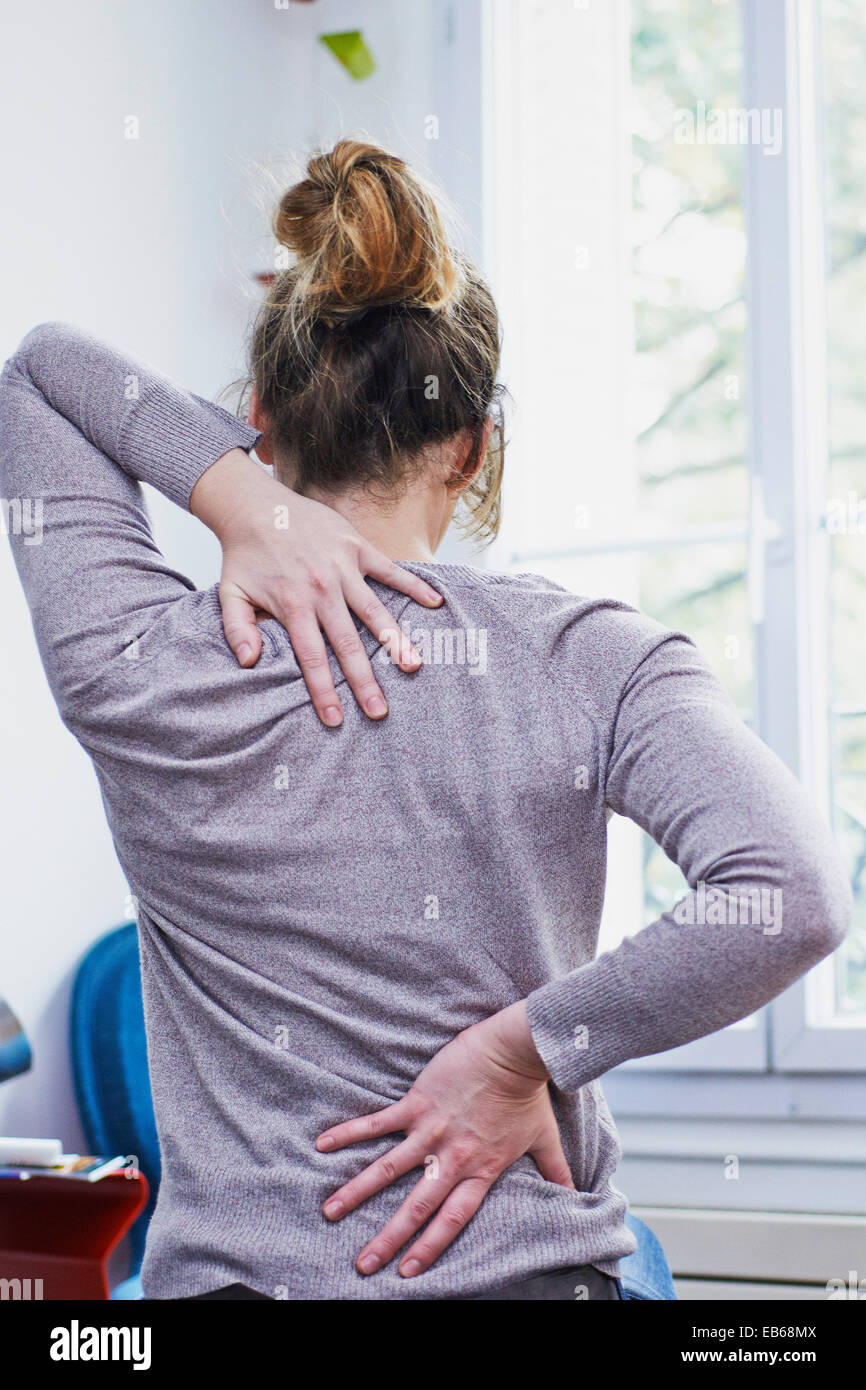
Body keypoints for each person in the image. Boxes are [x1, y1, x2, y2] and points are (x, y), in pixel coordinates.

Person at [0, 140, 850, 1301]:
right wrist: (524, 1049)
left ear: (254, 419)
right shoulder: (585, 654)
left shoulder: (143, 664)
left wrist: (237, 483)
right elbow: (791, 892)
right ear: (471, 444)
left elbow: (41, 374)